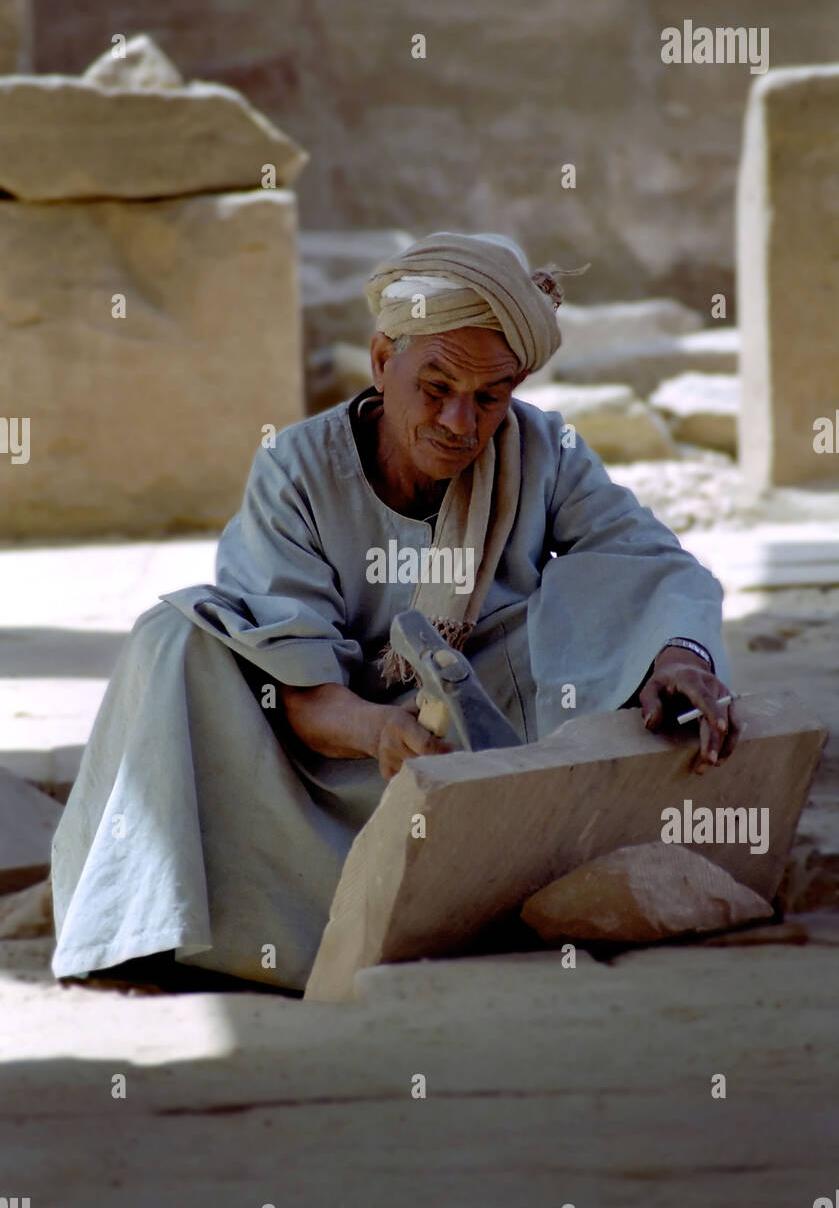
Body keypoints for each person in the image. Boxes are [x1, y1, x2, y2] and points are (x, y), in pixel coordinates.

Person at [51, 231, 739, 992]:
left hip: (483, 752)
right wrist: (382, 730)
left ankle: (495, 881)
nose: (460, 423)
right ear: (382, 362)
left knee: (600, 594)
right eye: (435, 388)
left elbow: (648, 558)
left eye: (489, 396)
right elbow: (307, 698)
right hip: (328, 760)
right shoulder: (297, 469)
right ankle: (212, 922)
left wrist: (675, 658)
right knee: (175, 638)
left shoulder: (543, 449)